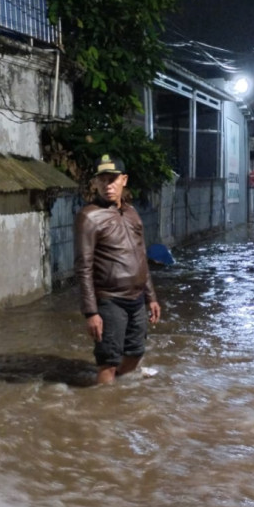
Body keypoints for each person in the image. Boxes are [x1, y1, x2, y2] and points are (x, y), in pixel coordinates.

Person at [74, 154, 162, 384]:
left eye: (112, 179)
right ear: (95, 183)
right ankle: (103, 412)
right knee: (108, 361)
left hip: (136, 298)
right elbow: (83, 267)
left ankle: (117, 394)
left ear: (124, 180)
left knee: (135, 354)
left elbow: (141, 257)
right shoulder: (89, 217)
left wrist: (151, 297)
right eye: (102, 180)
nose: (107, 185)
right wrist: (91, 312)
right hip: (110, 300)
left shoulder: (132, 213)